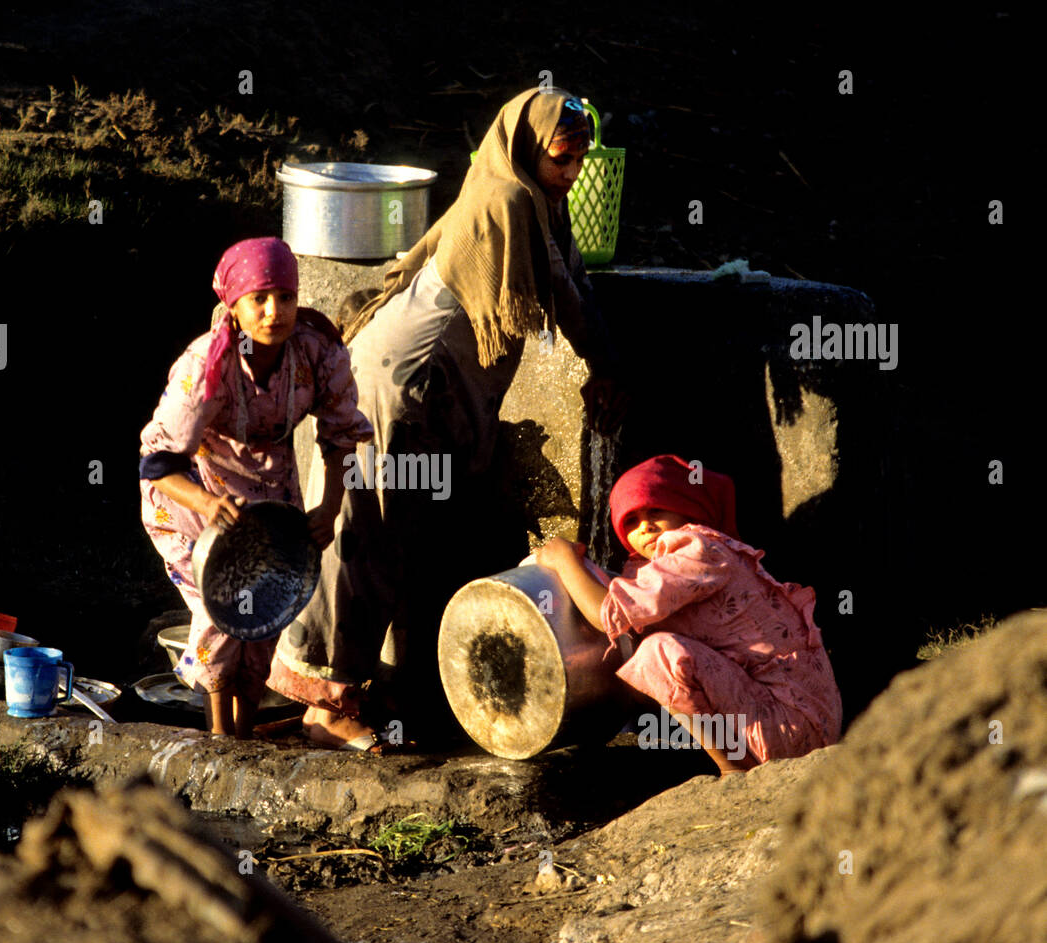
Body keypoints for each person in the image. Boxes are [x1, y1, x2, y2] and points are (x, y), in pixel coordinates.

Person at [268, 86, 621, 750]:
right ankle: (326, 704)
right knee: (363, 534)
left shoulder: (536, 203)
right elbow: (566, 294)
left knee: (401, 534)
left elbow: (574, 277)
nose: (573, 173)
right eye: (562, 158)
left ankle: (377, 689)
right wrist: (606, 366)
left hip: (427, 391)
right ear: (524, 149)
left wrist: (605, 360)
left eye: (580, 159)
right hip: (397, 388)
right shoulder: (507, 201)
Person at [139, 237, 373, 738]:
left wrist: (330, 508)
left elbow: (339, 437)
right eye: (259, 299)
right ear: (234, 306)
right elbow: (157, 462)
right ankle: (219, 742)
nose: (275, 312)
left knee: (265, 613)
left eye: (285, 297)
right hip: (192, 491)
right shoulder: (205, 367)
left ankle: (244, 741)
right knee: (221, 612)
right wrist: (206, 502)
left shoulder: (317, 352)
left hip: (269, 487)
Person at [534, 454, 842, 774]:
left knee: (659, 653)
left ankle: (732, 769)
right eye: (632, 521)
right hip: (795, 720)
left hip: (791, 724)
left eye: (656, 510)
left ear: (688, 509)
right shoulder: (667, 565)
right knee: (641, 655)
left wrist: (565, 561)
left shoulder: (697, 550)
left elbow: (608, 613)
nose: (645, 527)